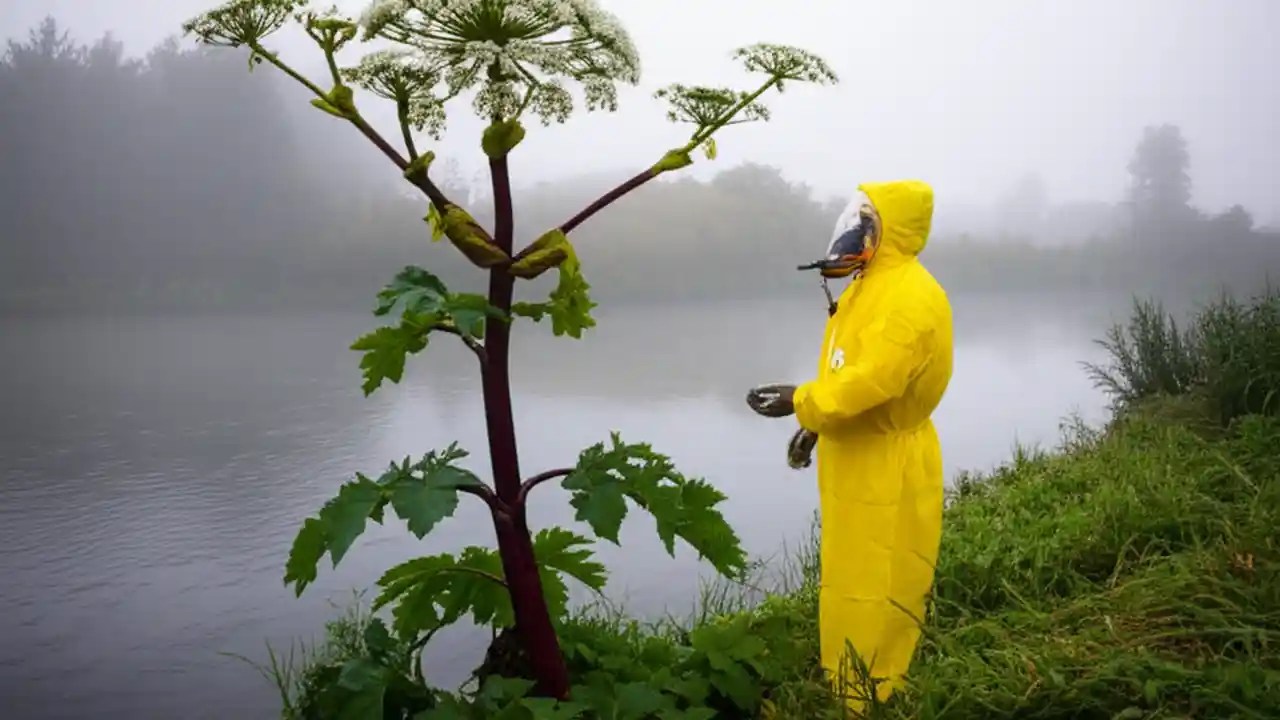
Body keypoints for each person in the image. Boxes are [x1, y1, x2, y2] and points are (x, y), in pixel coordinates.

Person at [746, 180, 953, 712]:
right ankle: (844, 678)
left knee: (883, 571)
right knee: (848, 572)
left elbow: (873, 382)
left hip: (887, 462)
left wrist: (802, 401)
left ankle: (876, 688)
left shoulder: (908, 297)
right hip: (855, 456)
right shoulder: (870, 283)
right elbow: (847, 370)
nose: (857, 225)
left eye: (869, 215)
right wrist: (817, 424)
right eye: (857, 214)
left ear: (892, 226)